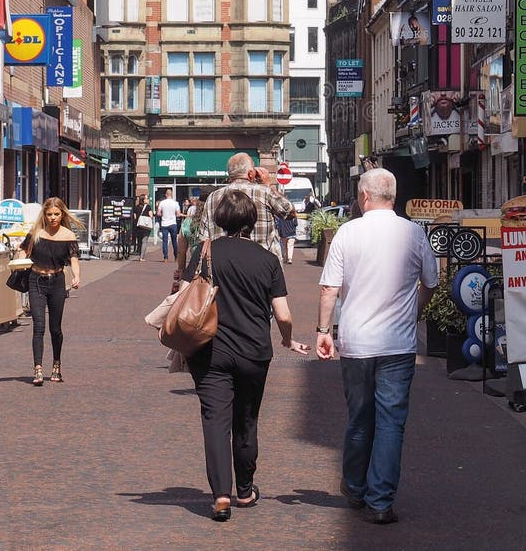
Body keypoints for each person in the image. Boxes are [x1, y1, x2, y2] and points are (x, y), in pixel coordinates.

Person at [315, 168, 437, 525]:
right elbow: (431, 281)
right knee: (390, 423)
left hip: (356, 342)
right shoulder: (414, 233)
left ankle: (354, 488)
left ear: (364, 197)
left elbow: (329, 288)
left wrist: (324, 330)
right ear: (393, 196)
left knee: (359, 418)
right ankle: (381, 501)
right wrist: (413, 311)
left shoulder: (346, 233)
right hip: (397, 344)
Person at [184, 190, 309, 521]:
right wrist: (288, 340)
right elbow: (282, 314)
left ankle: (221, 495)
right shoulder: (267, 259)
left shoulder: (202, 252)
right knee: (246, 419)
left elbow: (185, 296)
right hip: (254, 351)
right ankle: (245, 490)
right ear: (252, 222)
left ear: (220, 219)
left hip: (209, 349)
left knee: (215, 419)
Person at [16, 197, 82, 386]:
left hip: (57, 282)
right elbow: (23, 251)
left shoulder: (68, 235)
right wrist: (20, 260)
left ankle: (56, 364)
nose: (53, 218)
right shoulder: (36, 232)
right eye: (49, 214)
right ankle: (37, 369)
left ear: (62, 214)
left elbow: (74, 259)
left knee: (55, 329)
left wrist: (76, 276)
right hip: (36, 280)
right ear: (44, 215)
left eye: (56, 214)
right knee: (38, 326)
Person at [198, 153, 295, 261]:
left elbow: (203, 238)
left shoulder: (212, 197)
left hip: (223, 266)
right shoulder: (264, 192)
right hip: (262, 265)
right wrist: (268, 185)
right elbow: (290, 213)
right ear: (250, 174)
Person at [157, 188, 182, 262]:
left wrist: (163, 215)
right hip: (173, 223)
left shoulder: (162, 203)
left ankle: (165, 258)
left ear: (166, 195)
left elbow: (158, 213)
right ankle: (176, 257)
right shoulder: (175, 203)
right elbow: (178, 214)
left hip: (164, 223)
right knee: (174, 241)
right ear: (171, 194)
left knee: (165, 241)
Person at [134, 193, 153, 261]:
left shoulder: (136, 207)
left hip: (138, 226)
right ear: (143, 200)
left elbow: (135, 217)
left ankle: (139, 252)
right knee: (144, 241)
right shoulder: (148, 207)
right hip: (145, 226)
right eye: (147, 198)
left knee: (139, 241)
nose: (148, 200)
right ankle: (141, 257)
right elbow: (151, 216)